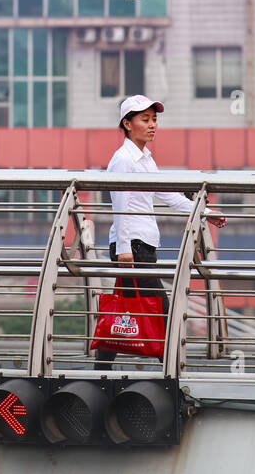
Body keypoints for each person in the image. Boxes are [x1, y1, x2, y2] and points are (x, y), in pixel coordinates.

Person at [94, 95, 226, 367]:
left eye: (154, 119)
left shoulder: (145, 159)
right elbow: (119, 206)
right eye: (145, 119)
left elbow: (171, 197)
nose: (152, 125)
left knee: (126, 311)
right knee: (160, 312)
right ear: (127, 124)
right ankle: (170, 371)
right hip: (133, 249)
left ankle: (102, 371)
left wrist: (206, 213)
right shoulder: (123, 160)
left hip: (141, 248)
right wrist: (124, 251)